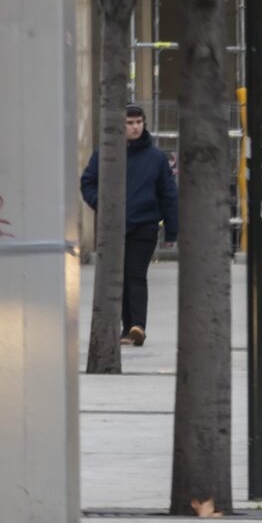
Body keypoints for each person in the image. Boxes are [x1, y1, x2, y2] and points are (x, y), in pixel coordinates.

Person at [80, 104, 178, 346]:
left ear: (144, 123)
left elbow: (168, 194)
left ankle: (137, 326)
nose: (135, 127)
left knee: (136, 275)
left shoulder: (156, 158)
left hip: (144, 225)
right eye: (129, 123)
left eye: (138, 122)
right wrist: (101, 204)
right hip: (113, 227)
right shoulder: (105, 153)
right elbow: (88, 182)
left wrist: (172, 231)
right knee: (120, 277)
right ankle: (127, 328)